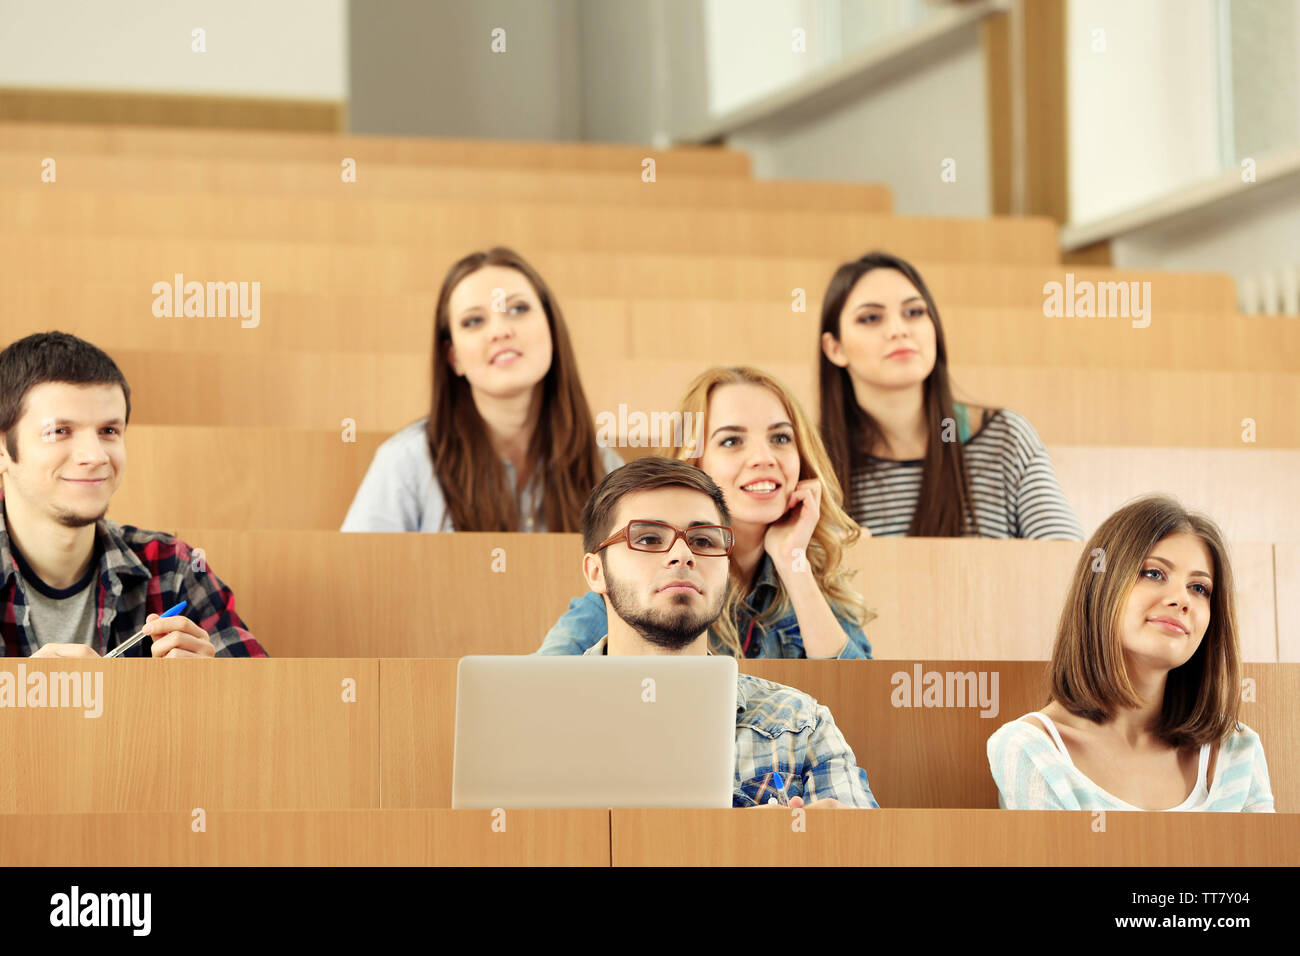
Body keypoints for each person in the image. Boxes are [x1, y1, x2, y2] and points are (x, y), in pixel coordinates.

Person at [578, 455, 877, 808]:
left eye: (704, 541)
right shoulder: (541, 721)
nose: (682, 554)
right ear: (595, 572)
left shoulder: (800, 724)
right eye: (647, 538)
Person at [538, 366, 873, 658]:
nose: (764, 457)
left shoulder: (816, 574)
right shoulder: (640, 579)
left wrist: (792, 561)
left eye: (781, 438)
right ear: (692, 463)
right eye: (731, 441)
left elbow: (854, 701)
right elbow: (534, 686)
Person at [987, 495, 1273, 811]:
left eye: (1199, 588)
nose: (1182, 600)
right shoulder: (1033, 749)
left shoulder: (1237, 751)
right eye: (1154, 573)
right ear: (1101, 587)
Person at [0, 332, 265, 658]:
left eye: (109, 431)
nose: (95, 456)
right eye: (60, 431)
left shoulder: (172, 568)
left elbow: (264, 706)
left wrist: (209, 694)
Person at [342, 246, 623, 532]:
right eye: (473, 321)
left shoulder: (603, 467)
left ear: (551, 328)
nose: (500, 331)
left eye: (518, 309)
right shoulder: (405, 461)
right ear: (454, 357)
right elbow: (358, 572)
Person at [818, 250, 1083, 539]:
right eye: (870, 318)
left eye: (914, 312)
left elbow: (1065, 557)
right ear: (835, 348)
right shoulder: (812, 458)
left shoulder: (1004, 437)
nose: (898, 330)